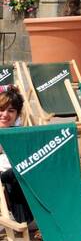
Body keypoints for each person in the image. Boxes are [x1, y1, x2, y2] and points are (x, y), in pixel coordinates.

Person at [0, 86, 33, 226]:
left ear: (17, 115)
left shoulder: (22, 134)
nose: (5, 114)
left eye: (11, 111)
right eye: (1, 109)